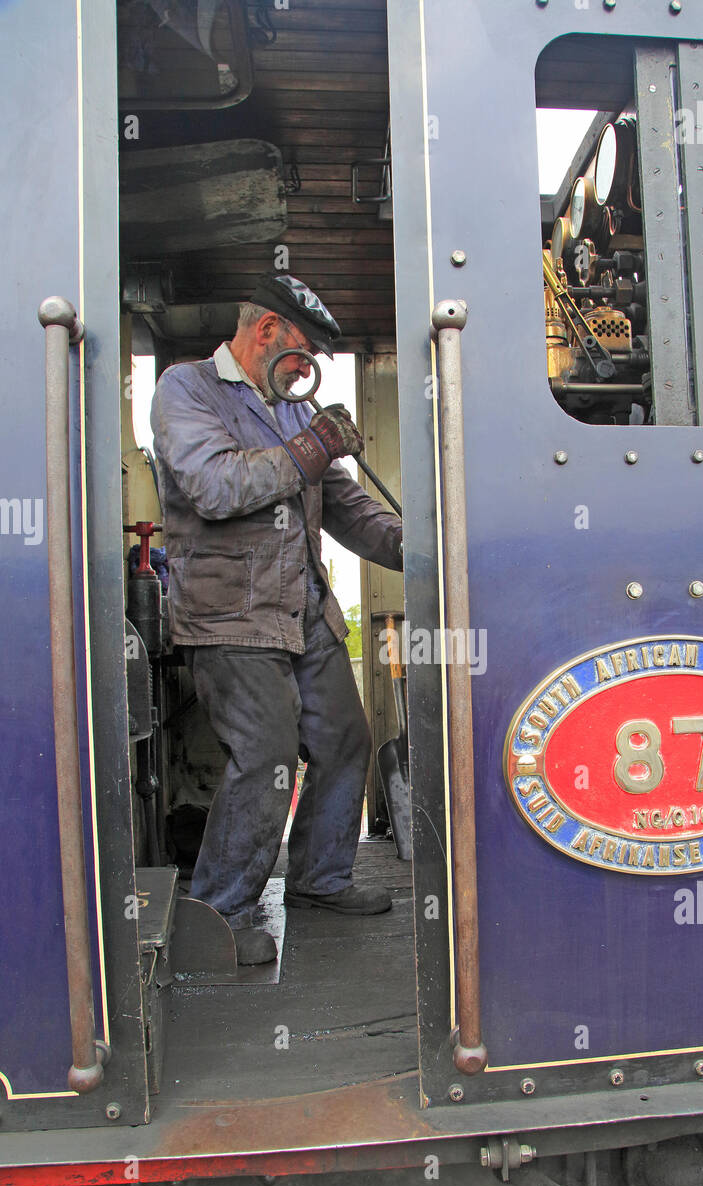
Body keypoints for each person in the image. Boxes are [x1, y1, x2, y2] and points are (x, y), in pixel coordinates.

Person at [151, 273, 403, 963]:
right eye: (303, 352)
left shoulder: (296, 412)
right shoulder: (186, 390)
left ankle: (319, 879)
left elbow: (350, 509)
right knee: (265, 759)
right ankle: (220, 915)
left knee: (347, 738)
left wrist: (418, 546)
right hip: (231, 618)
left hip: (303, 612)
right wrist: (310, 447)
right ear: (264, 332)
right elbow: (214, 485)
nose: (309, 369)